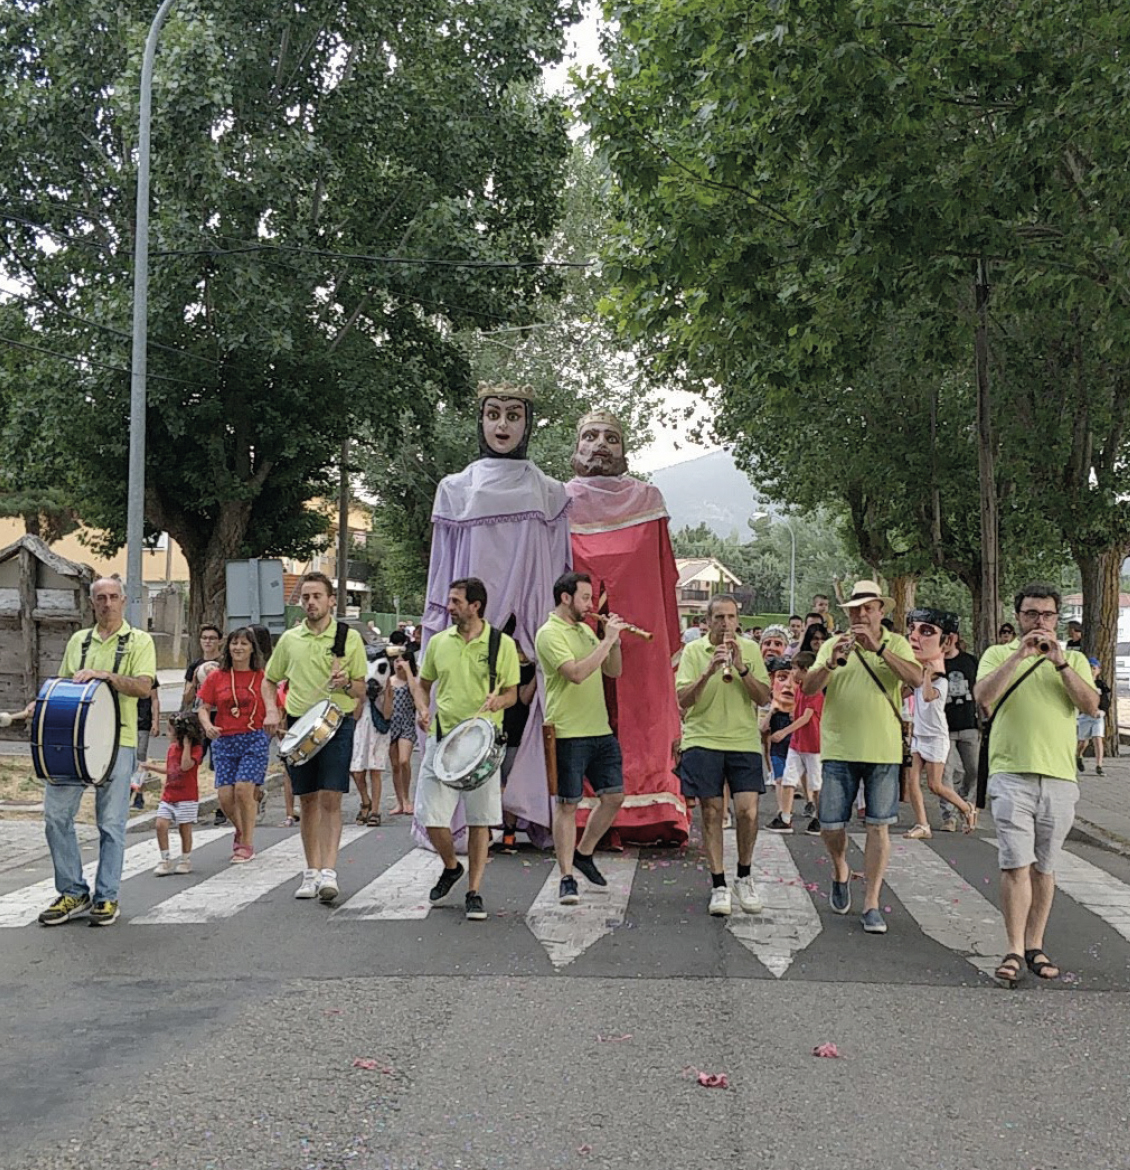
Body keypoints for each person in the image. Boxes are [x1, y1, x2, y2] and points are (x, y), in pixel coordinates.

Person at [415, 381, 570, 852]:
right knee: (467, 716)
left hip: (528, 626)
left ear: (528, 424)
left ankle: (524, 815)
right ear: (480, 420)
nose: (502, 425)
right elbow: (443, 564)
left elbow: (558, 563)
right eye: (493, 414)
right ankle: (460, 818)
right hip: (468, 627)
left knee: (525, 715)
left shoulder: (551, 491)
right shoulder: (455, 488)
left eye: (514, 416)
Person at [565, 408, 688, 844]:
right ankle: (577, 812)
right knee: (580, 708)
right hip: (575, 630)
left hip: (639, 631)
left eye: (611, 438)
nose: (600, 445)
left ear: (624, 450)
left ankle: (645, 808)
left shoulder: (647, 499)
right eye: (591, 436)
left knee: (638, 709)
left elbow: (661, 572)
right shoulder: (558, 500)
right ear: (576, 446)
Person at [974, 583, 1098, 988]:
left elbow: (1090, 705)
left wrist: (1059, 662)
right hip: (1011, 772)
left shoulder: (1074, 659)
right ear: (1019, 616)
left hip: (1059, 775)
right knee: (1015, 862)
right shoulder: (998, 654)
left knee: (1045, 866)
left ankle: (1035, 943)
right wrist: (1020, 655)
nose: (1039, 622)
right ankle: (1012, 947)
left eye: (1046, 615)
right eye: (1031, 614)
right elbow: (984, 697)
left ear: (1056, 619)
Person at [33, 577, 157, 926]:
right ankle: (73, 890)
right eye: (100, 598)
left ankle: (107, 896)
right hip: (74, 742)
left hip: (119, 742)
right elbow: (62, 686)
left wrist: (104, 676)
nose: (107, 603)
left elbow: (144, 687)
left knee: (111, 824)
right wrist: (39, 706)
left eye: (113, 597)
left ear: (123, 600)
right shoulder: (78, 641)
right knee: (56, 816)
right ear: (92, 603)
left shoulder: (139, 641)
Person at [802, 579, 922, 935]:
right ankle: (840, 867)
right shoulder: (832, 644)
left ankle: (871, 901)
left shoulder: (897, 642)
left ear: (881, 612)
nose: (861, 614)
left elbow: (916, 678)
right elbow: (809, 688)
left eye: (868, 608)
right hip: (838, 747)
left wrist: (879, 650)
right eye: (855, 609)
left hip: (882, 750)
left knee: (878, 825)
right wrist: (831, 663)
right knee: (830, 823)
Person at [416, 577, 519, 920]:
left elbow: (513, 695)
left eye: (456, 601)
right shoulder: (439, 642)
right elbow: (423, 684)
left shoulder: (500, 645)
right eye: (450, 600)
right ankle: (450, 865)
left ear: (475, 606)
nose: (450, 607)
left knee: (480, 821)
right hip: (443, 738)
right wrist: (422, 707)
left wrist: (498, 700)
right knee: (430, 816)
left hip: (483, 742)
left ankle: (474, 891)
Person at [263, 573, 367, 902]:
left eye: (317, 596)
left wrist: (346, 684)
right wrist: (270, 710)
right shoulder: (290, 640)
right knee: (306, 799)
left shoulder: (348, 638)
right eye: (305, 597)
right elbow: (269, 680)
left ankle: (329, 872)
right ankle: (311, 871)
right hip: (298, 724)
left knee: (331, 798)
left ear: (331, 599)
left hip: (336, 723)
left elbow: (362, 690)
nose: (311, 602)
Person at [674, 593, 771, 916]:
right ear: (708, 621)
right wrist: (708, 670)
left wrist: (742, 667)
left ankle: (744, 875)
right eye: (719, 618)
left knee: (747, 811)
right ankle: (719, 883)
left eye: (731, 617)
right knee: (712, 811)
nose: (726, 623)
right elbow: (684, 700)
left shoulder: (752, 649)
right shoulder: (692, 651)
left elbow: (763, 696)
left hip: (743, 740)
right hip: (703, 738)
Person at [536, 572, 626, 905]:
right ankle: (566, 876)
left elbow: (612, 671)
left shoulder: (586, 630)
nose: (591, 605)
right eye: (585, 598)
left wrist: (613, 641)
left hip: (600, 729)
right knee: (567, 804)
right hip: (567, 731)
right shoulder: (548, 633)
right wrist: (605, 641)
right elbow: (575, 674)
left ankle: (584, 853)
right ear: (565, 598)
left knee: (614, 796)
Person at [900, 609, 978, 839]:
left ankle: (966, 808)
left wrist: (924, 673)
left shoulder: (942, 681)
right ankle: (922, 823)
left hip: (936, 738)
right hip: (919, 735)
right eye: (912, 631)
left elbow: (926, 695)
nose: (914, 638)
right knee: (912, 781)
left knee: (935, 784)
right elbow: (904, 693)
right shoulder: (919, 677)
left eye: (925, 632)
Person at [197, 627, 270, 863]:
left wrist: (274, 719)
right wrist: (208, 725)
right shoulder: (216, 676)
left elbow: (274, 704)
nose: (238, 648)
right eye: (234, 643)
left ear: (252, 649)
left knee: (242, 789)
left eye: (244, 644)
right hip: (224, 741)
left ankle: (247, 843)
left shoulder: (262, 676)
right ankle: (241, 828)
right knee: (225, 797)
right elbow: (203, 707)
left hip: (253, 738)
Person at [146, 711, 205, 875]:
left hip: (186, 796)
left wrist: (187, 745)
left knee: (184, 828)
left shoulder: (196, 749)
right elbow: (170, 769)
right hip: (169, 795)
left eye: (170, 730)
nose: (167, 734)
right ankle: (165, 858)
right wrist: (151, 767)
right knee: (160, 824)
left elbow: (186, 766)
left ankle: (185, 859)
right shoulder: (171, 749)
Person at [937, 622, 981, 831]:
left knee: (973, 770)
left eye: (947, 637)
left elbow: (981, 690)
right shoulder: (935, 663)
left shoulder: (970, 661)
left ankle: (964, 802)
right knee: (946, 772)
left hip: (968, 724)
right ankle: (949, 815)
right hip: (943, 726)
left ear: (954, 638)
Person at [496, 641, 538, 853]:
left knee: (508, 783)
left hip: (516, 733)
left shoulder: (528, 669)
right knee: (493, 784)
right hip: (493, 730)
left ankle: (509, 831)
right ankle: (490, 829)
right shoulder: (496, 667)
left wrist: (538, 675)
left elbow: (524, 698)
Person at [351, 647, 392, 826]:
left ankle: (375, 810)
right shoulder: (359, 685)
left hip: (378, 730)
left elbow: (387, 714)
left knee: (375, 770)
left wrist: (385, 692)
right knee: (357, 770)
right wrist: (362, 695)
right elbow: (355, 714)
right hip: (360, 728)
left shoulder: (386, 688)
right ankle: (365, 799)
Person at [386, 631, 426, 815]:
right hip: (391, 724)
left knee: (404, 761)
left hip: (407, 723)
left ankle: (408, 798)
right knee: (394, 765)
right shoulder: (389, 681)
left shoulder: (411, 680)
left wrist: (408, 671)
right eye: (396, 661)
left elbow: (415, 690)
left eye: (401, 661)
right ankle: (400, 800)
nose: (398, 665)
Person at [783, 652, 823, 834]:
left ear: (806, 669)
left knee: (816, 783)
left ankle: (821, 817)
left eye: (795, 668)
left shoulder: (815, 690)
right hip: (797, 741)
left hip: (813, 743)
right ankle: (784, 816)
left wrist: (784, 731)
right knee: (788, 778)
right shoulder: (800, 688)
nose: (792, 672)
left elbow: (807, 717)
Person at [1076, 657, 1111, 775]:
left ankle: (1099, 765)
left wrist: (1103, 710)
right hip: (1085, 716)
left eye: (1094, 668)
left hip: (1097, 716)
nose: (1092, 670)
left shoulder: (1100, 685)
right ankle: (1078, 755)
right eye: (1089, 667)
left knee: (1098, 739)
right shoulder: (1082, 682)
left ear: (1099, 670)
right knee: (1083, 742)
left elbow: (1105, 700)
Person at [130, 676, 160, 810]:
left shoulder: (149, 675)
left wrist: (155, 721)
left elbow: (154, 699)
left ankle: (138, 794)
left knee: (140, 759)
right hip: (125, 723)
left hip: (142, 722)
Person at [182, 624, 223, 708]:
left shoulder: (226, 663)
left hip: (222, 712)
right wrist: (194, 683)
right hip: (201, 711)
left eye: (212, 638)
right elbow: (187, 699)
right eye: (204, 638)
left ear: (220, 641)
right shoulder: (195, 665)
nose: (207, 641)